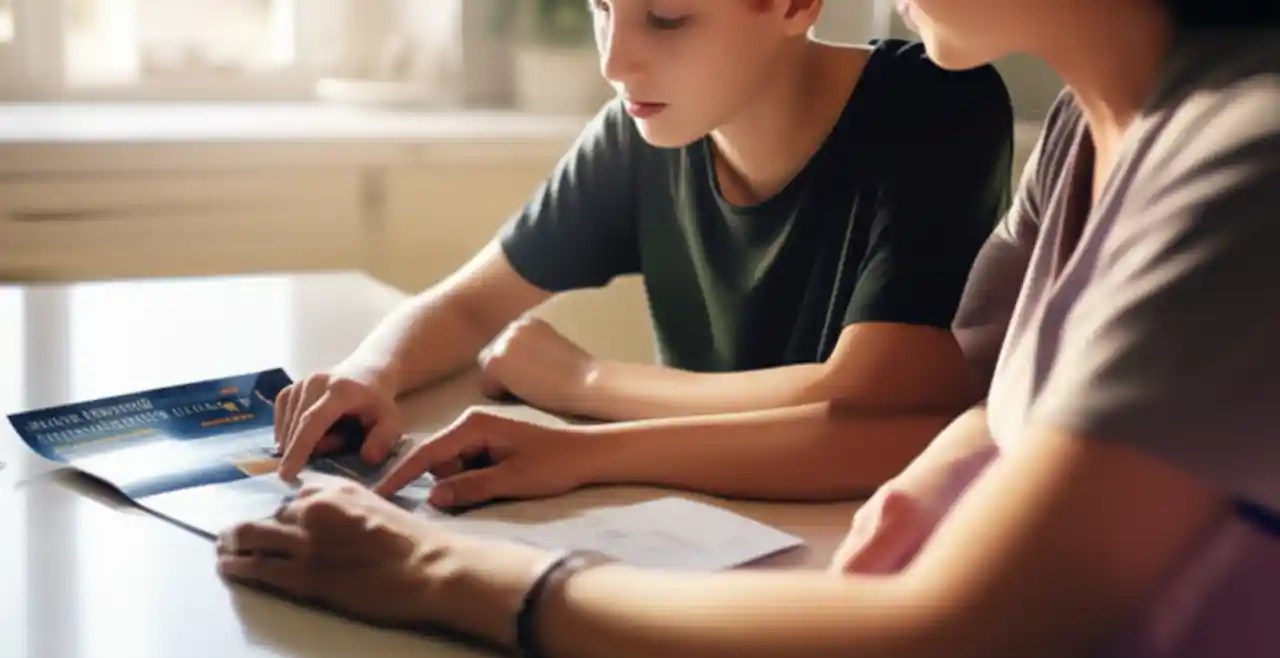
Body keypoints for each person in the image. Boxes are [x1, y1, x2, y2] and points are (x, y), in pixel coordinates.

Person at [220, 0, 1280, 658]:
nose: (616, 54)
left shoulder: (1246, 160)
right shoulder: (1079, 134)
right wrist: (916, 500)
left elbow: (944, 650)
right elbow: (973, 403)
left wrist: (440, 570)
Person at [271, 0, 1013, 502]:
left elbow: (868, 390)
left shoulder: (937, 105)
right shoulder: (637, 136)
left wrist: (588, 380)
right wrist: (372, 371)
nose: (616, 63)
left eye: (665, 17)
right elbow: (471, 304)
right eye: (601, 7)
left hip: (873, 539)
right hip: (703, 516)